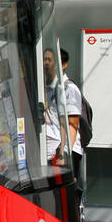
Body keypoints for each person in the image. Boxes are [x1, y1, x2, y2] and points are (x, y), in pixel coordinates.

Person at [43, 48, 83, 178]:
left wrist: (63, 154)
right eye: (44, 59)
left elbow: (72, 125)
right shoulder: (44, 88)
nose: (47, 63)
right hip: (48, 153)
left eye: (51, 60)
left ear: (64, 65)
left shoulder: (69, 88)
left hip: (63, 154)